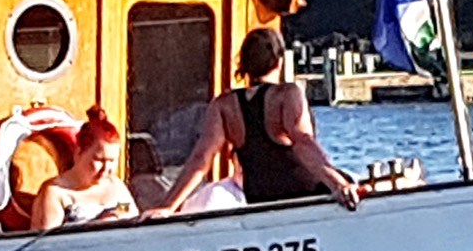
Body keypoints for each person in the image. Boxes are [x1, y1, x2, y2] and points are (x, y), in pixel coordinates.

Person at [150, 27, 359, 214]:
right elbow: (303, 142)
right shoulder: (287, 94)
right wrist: (339, 184)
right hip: (304, 191)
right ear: (279, 61)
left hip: (259, 196)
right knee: (353, 181)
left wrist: (167, 207)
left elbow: (201, 159)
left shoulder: (223, 105)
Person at [37, 106, 140, 230]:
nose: (106, 168)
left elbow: (128, 209)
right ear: (79, 152)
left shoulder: (115, 186)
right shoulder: (57, 193)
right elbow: (48, 239)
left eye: (112, 161)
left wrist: (114, 215)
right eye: (99, 160)